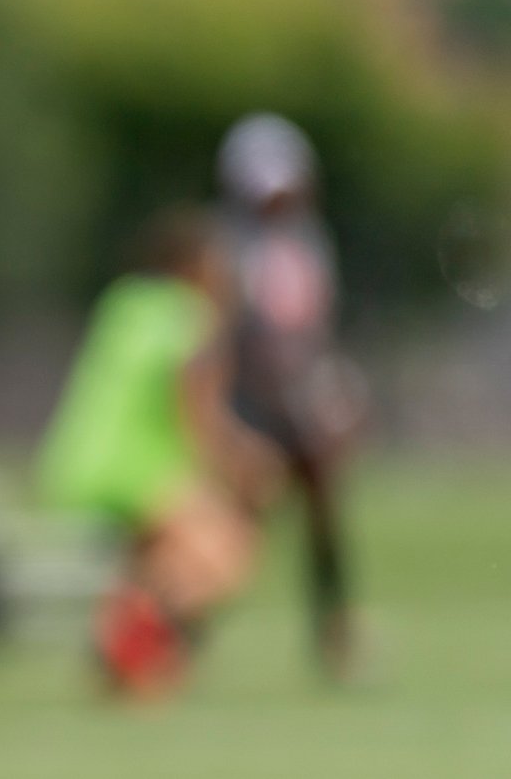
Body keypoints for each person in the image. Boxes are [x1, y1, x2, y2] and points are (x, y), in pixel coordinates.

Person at [36, 209, 266, 698]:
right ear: (195, 268)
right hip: (141, 464)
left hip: (82, 456)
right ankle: (131, 644)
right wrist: (241, 458)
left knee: (153, 567)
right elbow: (195, 407)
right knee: (227, 559)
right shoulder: (192, 316)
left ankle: (130, 662)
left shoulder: (126, 301)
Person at [216, 112, 362, 681]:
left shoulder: (308, 244)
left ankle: (335, 634)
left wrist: (329, 389)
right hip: (248, 407)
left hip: (300, 403)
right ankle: (178, 637)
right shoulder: (228, 246)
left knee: (325, 517)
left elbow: (316, 332)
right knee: (235, 531)